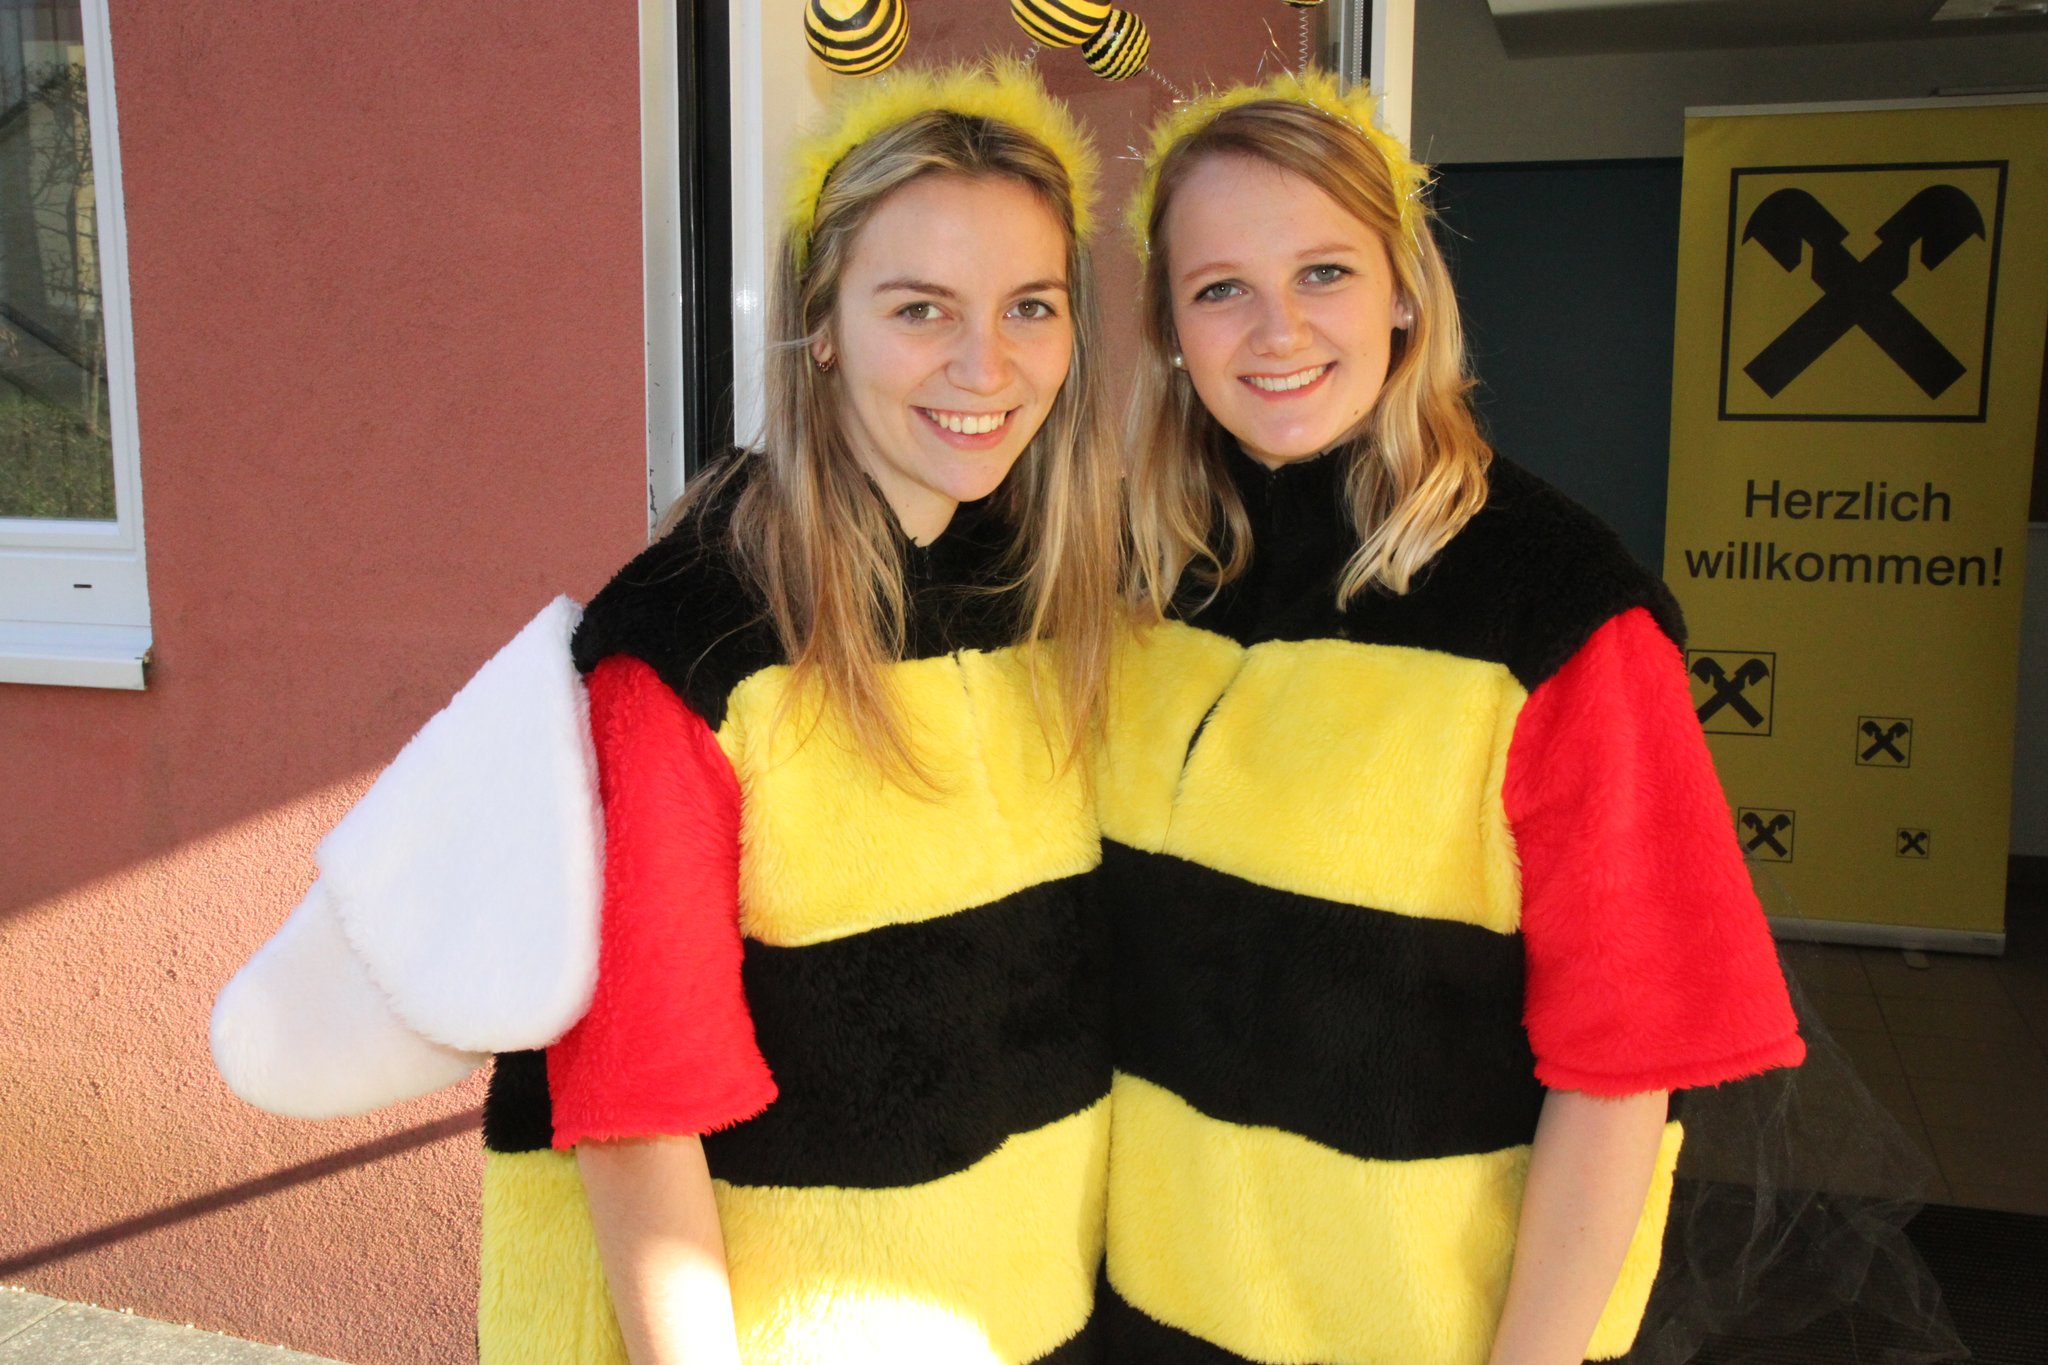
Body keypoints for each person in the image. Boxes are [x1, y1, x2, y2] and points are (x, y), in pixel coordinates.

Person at [1091, 72, 1807, 1365]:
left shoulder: (1561, 609)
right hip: (1151, 1310)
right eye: (1220, 290)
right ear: (1170, 330)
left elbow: (1623, 1063)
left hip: (1423, 1328)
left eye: (1324, 273)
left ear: (1406, 290)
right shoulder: (1146, 579)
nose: (1275, 331)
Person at [474, 63, 1122, 1364]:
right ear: (821, 323)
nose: (985, 363)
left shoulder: (1053, 592)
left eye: (1030, 306)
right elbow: (636, 1113)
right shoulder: (689, 634)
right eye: (920, 308)